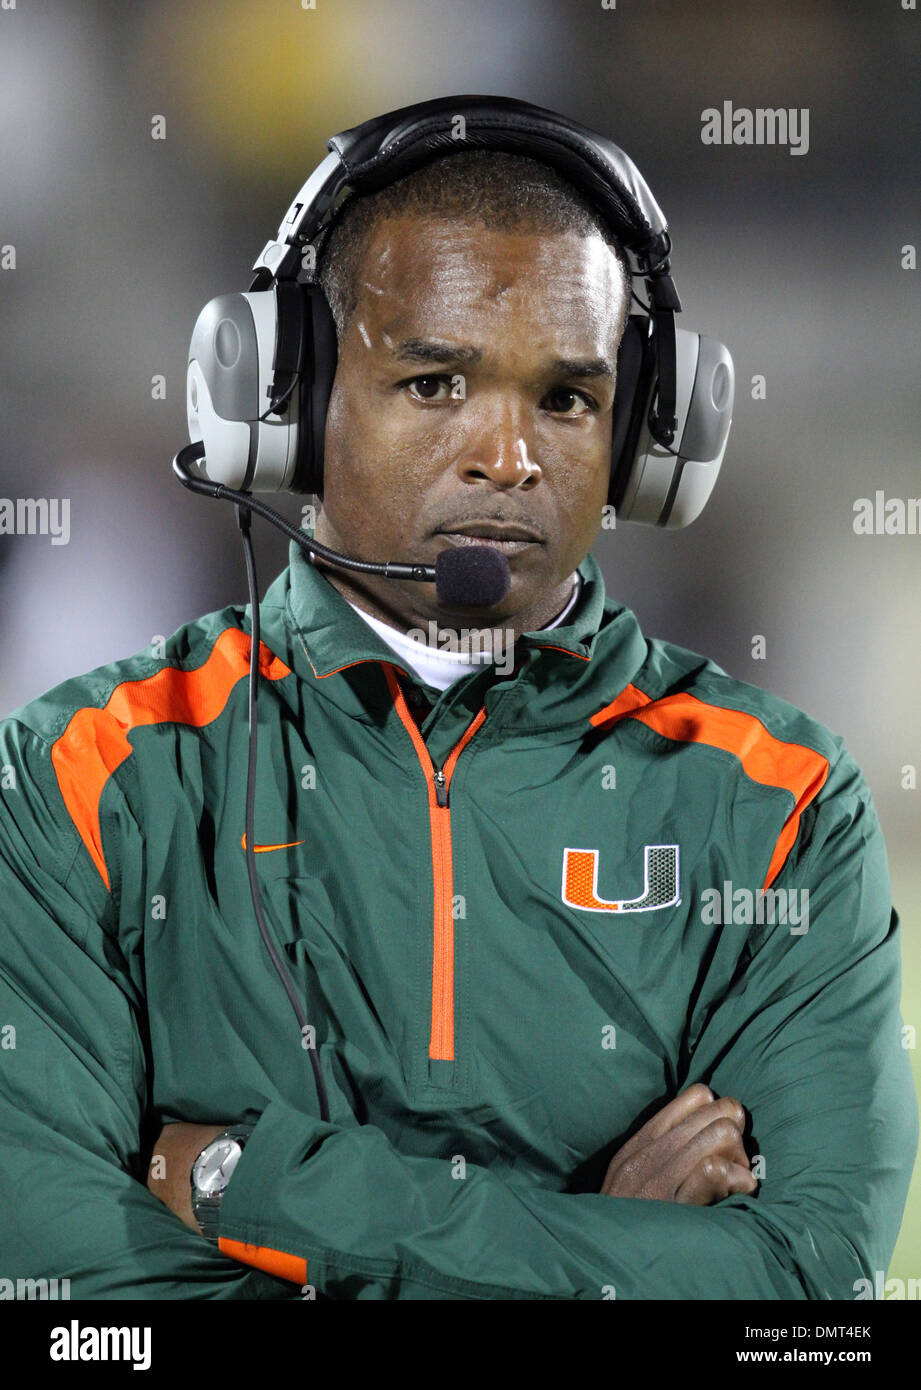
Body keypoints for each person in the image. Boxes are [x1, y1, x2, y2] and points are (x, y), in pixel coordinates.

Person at [0, 103, 915, 1301]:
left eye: (568, 400)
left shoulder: (785, 802)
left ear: (649, 438)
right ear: (288, 404)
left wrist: (250, 1180)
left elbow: (805, 1295)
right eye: (435, 383)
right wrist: (598, 1253)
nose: (510, 457)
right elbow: (66, 1302)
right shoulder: (81, 772)